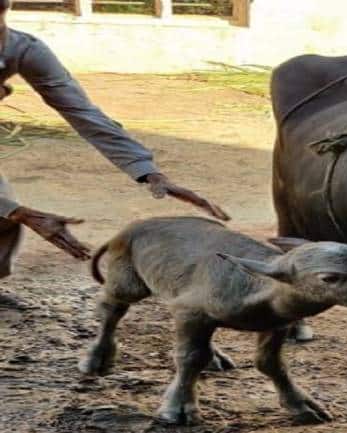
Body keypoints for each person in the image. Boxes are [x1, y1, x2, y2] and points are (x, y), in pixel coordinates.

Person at [0, 0, 229, 307]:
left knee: (4, 216)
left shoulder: (24, 49)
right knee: (7, 210)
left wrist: (147, 170)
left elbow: (84, 113)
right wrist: (19, 212)